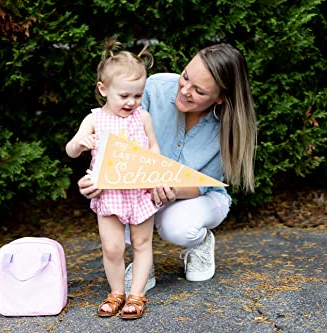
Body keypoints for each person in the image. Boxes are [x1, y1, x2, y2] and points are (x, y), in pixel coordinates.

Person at [77, 43, 257, 290]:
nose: (184, 90)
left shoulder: (226, 127)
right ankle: (143, 262)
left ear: (220, 98)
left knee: (178, 227)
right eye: (185, 77)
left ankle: (201, 243)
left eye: (199, 91)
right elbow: (116, 138)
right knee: (120, 210)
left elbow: (206, 184)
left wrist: (171, 188)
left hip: (197, 197)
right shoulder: (154, 87)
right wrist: (99, 177)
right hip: (143, 190)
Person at [65, 39, 160, 319]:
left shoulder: (142, 118)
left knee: (142, 244)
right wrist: (80, 143)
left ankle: (137, 294)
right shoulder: (94, 119)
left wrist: (155, 172)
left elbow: (154, 147)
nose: (131, 102)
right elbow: (71, 151)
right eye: (124, 96)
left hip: (140, 190)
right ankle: (117, 291)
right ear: (103, 89)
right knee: (112, 246)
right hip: (107, 192)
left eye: (138, 96)